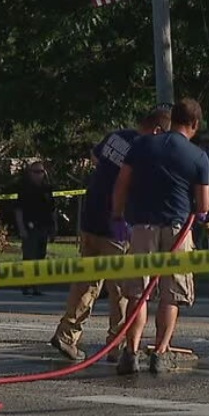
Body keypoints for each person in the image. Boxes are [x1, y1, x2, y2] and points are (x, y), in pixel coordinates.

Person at [48, 106, 171, 362]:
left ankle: (67, 335)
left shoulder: (116, 136)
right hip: (117, 226)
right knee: (123, 290)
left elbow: (95, 158)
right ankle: (117, 345)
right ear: (157, 129)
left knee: (86, 282)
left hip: (90, 218)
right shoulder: (143, 150)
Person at [110, 98, 209, 374]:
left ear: (172, 118)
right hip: (178, 230)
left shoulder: (141, 145)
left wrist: (118, 217)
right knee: (171, 295)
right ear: (194, 124)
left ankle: (131, 353)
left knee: (138, 294)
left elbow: (121, 184)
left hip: (141, 227)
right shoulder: (198, 156)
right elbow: (203, 205)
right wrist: (202, 214)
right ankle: (160, 352)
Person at [14, 161, 55, 296]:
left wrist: (53, 227)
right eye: (36, 172)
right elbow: (19, 210)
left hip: (44, 227)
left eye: (41, 172)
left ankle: (36, 286)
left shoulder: (47, 189)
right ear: (30, 174)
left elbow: (52, 210)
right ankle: (26, 285)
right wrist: (21, 228)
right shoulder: (25, 189)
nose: (39, 175)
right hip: (29, 227)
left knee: (40, 257)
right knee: (29, 257)